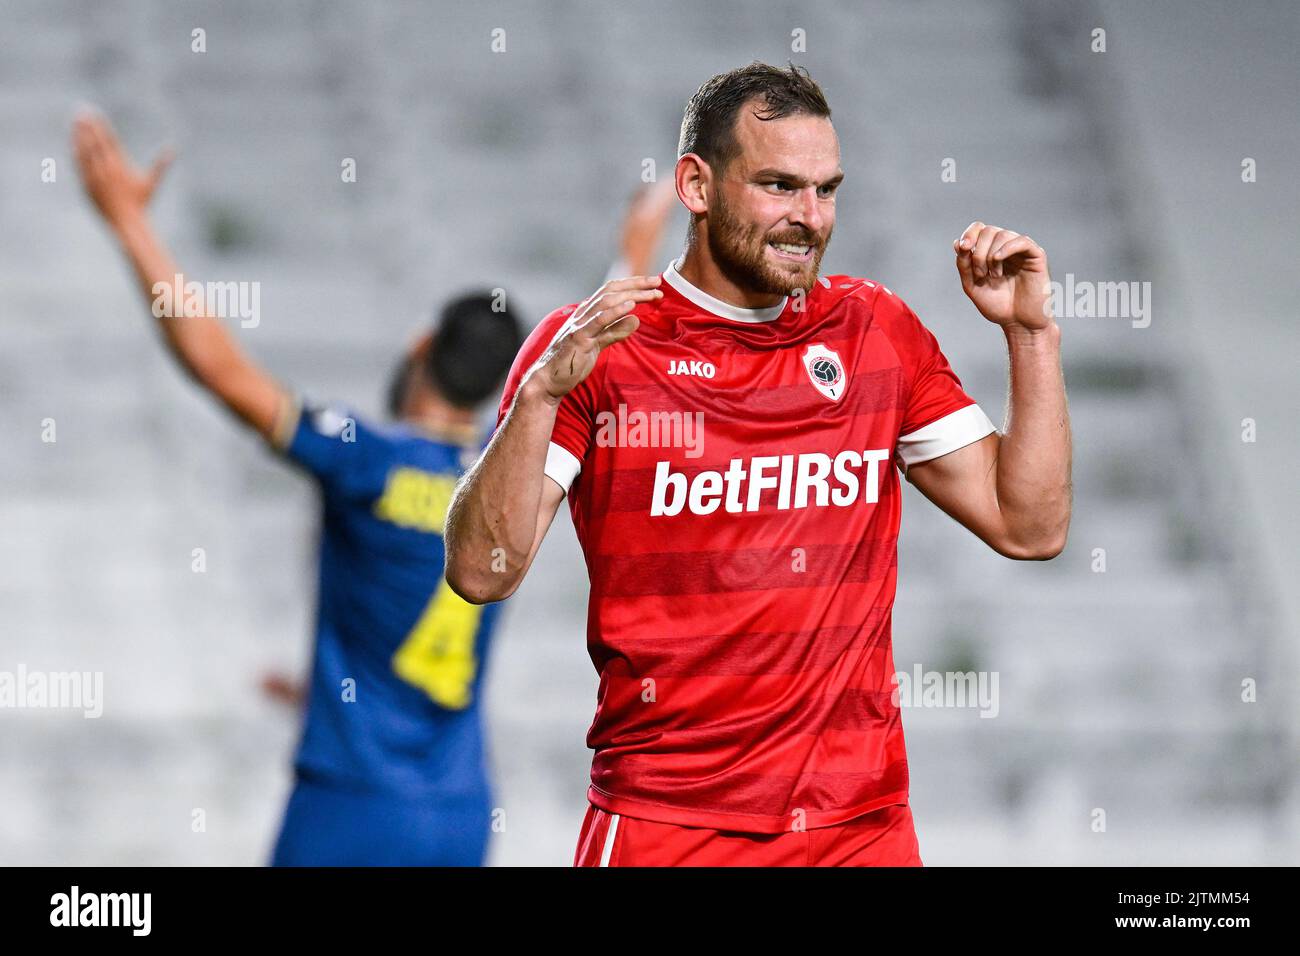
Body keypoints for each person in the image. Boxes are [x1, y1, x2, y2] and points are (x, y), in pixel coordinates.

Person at [443, 62, 1072, 866]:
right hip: (671, 826)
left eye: (826, 190)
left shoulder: (873, 332)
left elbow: (1031, 525)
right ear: (697, 186)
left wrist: (1031, 337)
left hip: (860, 829)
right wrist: (534, 401)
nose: (809, 218)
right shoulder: (599, 347)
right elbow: (482, 572)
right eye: (779, 186)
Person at [74, 111, 542, 865]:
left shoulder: (365, 458)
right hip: (457, 816)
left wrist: (130, 222)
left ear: (420, 345)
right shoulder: (509, 472)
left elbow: (223, 374)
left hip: (349, 803)